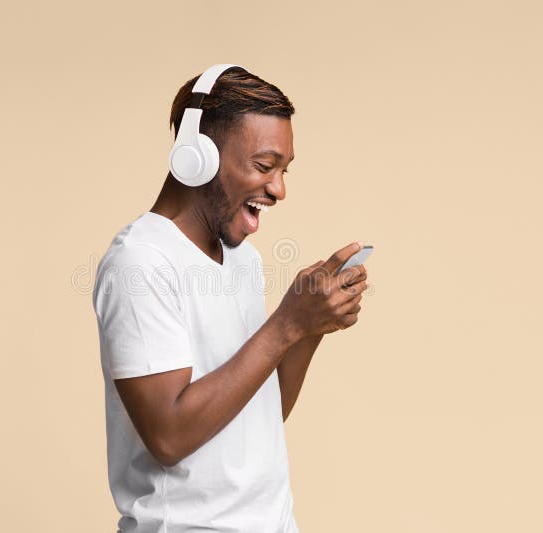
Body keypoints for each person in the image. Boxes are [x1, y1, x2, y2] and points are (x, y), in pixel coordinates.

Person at [92, 64, 369, 533]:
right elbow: (169, 434)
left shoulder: (243, 260)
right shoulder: (140, 263)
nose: (279, 188)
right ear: (196, 157)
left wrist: (309, 329)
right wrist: (286, 325)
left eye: (284, 170)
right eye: (264, 166)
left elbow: (258, 414)